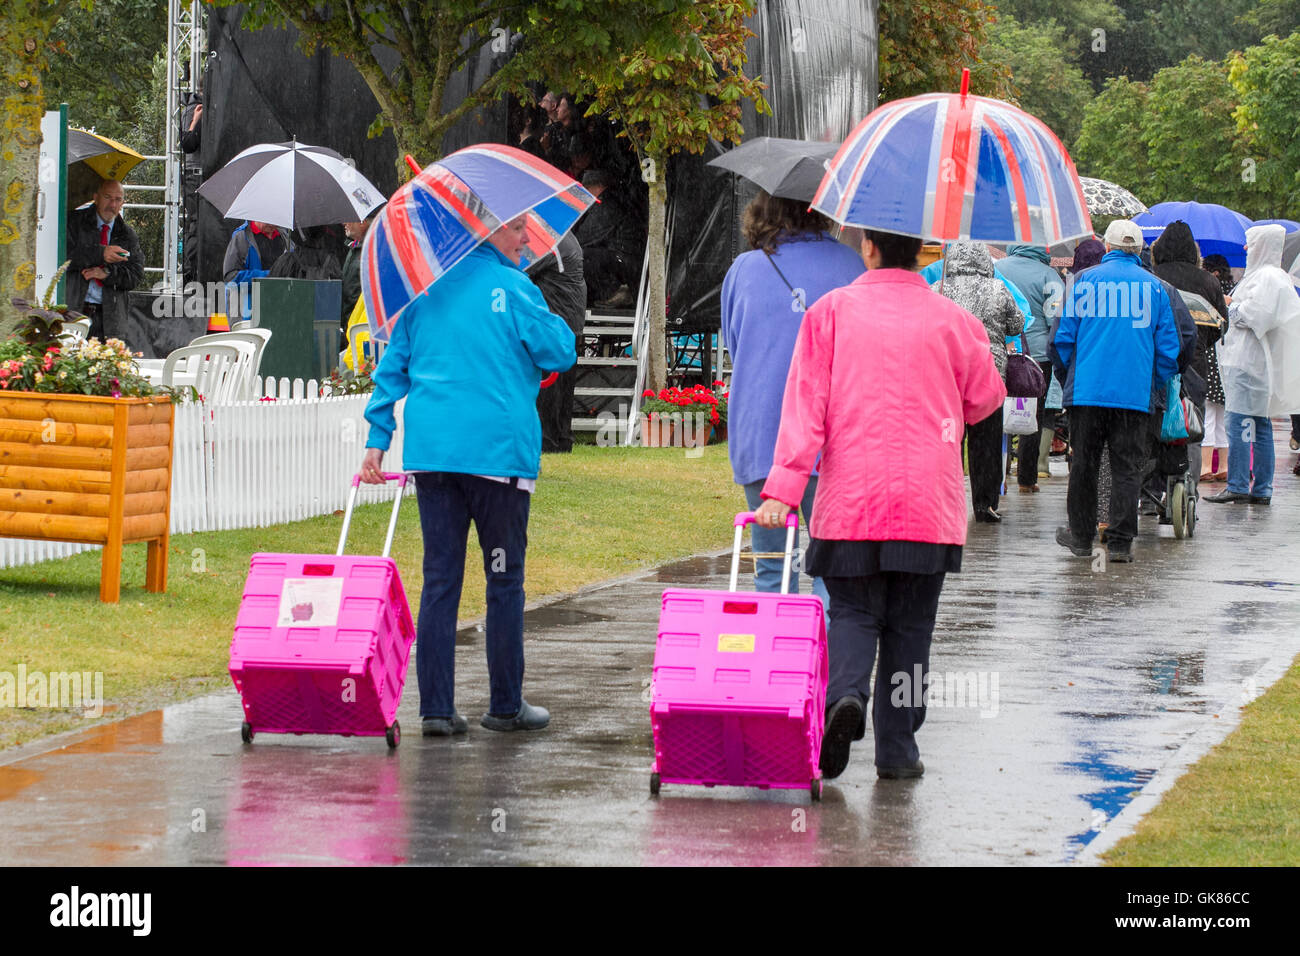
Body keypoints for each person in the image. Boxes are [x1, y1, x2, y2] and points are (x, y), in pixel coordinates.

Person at [754, 229, 1005, 782]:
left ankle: (845, 696)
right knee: (911, 627)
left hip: (852, 504)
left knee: (853, 614)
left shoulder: (829, 313)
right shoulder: (954, 321)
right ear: (920, 253)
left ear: (867, 247)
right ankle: (897, 749)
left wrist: (783, 489)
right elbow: (985, 397)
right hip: (926, 507)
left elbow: (805, 405)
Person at [359, 215, 577, 736]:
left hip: (435, 457)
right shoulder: (515, 289)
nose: (526, 237)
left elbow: (393, 370)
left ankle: (435, 710)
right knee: (503, 579)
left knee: (440, 579)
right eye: (518, 228)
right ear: (487, 232)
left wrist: (376, 438)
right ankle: (505, 706)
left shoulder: (423, 293)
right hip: (497, 458)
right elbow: (561, 351)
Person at [720, 190, 864, 600]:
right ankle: (826, 661)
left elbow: (735, 341)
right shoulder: (850, 265)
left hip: (761, 427)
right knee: (832, 572)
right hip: (831, 432)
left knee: (771, 570)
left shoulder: (744, 269)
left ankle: (777, 661)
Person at [1049, 220, 1180, 563]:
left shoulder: (1080, 282)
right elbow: (1169, 350)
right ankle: (1120, 542)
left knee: (1084, 465)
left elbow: (1061, 340)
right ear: (1139, 252)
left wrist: (1070, 380)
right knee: (1126, 469)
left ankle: (1080, 536)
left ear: (1107, 248)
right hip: (1133, 397)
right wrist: (1152, 384)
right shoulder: (1156, 289)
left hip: (1087, 393)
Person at [1206, 224, 1300, 505]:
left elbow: (1257, 316)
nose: (1246, 249)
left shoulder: (1268, 278)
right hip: (1246, 364)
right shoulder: (1262, 277)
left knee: (1243, 424)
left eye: (1251, 243)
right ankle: (1259, 489)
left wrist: (1229, 304)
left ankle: (1239, 484)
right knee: (1257, 426)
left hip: (1249, 366)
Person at [930, 242, 1024, 523]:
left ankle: (949, 501)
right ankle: (985, 505)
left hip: (949, 375)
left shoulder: (939, 289)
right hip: (988, 374)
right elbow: (1017, 324)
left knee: (950, 440)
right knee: (987, 442)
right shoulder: (998, 288)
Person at [1151, 221, 1228, 500]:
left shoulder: (1151, 276)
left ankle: (1150, 494)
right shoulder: (1208, 281)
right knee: (1191, 427)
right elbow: (1222, 324)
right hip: (1195, 366)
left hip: (1155, 365)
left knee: (1153, 427)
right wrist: (1201, 341)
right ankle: (1188, 489)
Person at [995, 244, 1062, 493]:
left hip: (1001, 351)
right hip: (1037, 357)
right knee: (1033, 416)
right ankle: (1026, 478)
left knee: (998, 413)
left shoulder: (997, 269)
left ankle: (998, 475)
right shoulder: (1049, 275)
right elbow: (1056, 320)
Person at [65, 179, 144, 341]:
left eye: (118, 199)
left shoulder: (127, 234)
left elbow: (135, 275)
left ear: (123, 202)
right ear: (96, 197)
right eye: (108, 197)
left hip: (110, 319)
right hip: (75, 310)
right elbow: (64, 256)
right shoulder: (75, 222)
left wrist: (106, 273)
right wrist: (101, 253)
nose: (113, 205)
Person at [529, 231, 586, 452]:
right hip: (570, 321)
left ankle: (548, 441)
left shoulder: (553, 243)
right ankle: (562, 439)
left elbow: (524, 271)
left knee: (550, 387)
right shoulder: (569, 238)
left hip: (558, 321)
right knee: (563, 386)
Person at [575, 169, 643, 308]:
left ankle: (615, 292)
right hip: (625, 258)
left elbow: (586, 237)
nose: (585, 194)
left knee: (582, 255)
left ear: (598, 187)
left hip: (625, 260)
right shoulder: (612, 201)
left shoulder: (607, 204)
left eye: (587, 188)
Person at [1201, 253, 1236, 480]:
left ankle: (1205, 467)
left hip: (1211, 358)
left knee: (1208, 417)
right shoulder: (1233, 291)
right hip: (1229, 360)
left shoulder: (1208, 290)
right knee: (1223, 419)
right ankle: (1224, 465)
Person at [223, 220, 288, 320]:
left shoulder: (285, 237)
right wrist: (268, 276)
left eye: (274, 220)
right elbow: (231, 277)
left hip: (278, 309)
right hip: (248, 313)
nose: (272, 224)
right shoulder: (241, 237)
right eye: (268, 219)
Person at [340, 205, 383, 329]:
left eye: (349, 218)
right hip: (350, 322)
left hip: (361, 325)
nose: (344, 223)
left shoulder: (373, 249)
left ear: (362, 222)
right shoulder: (354, 247)